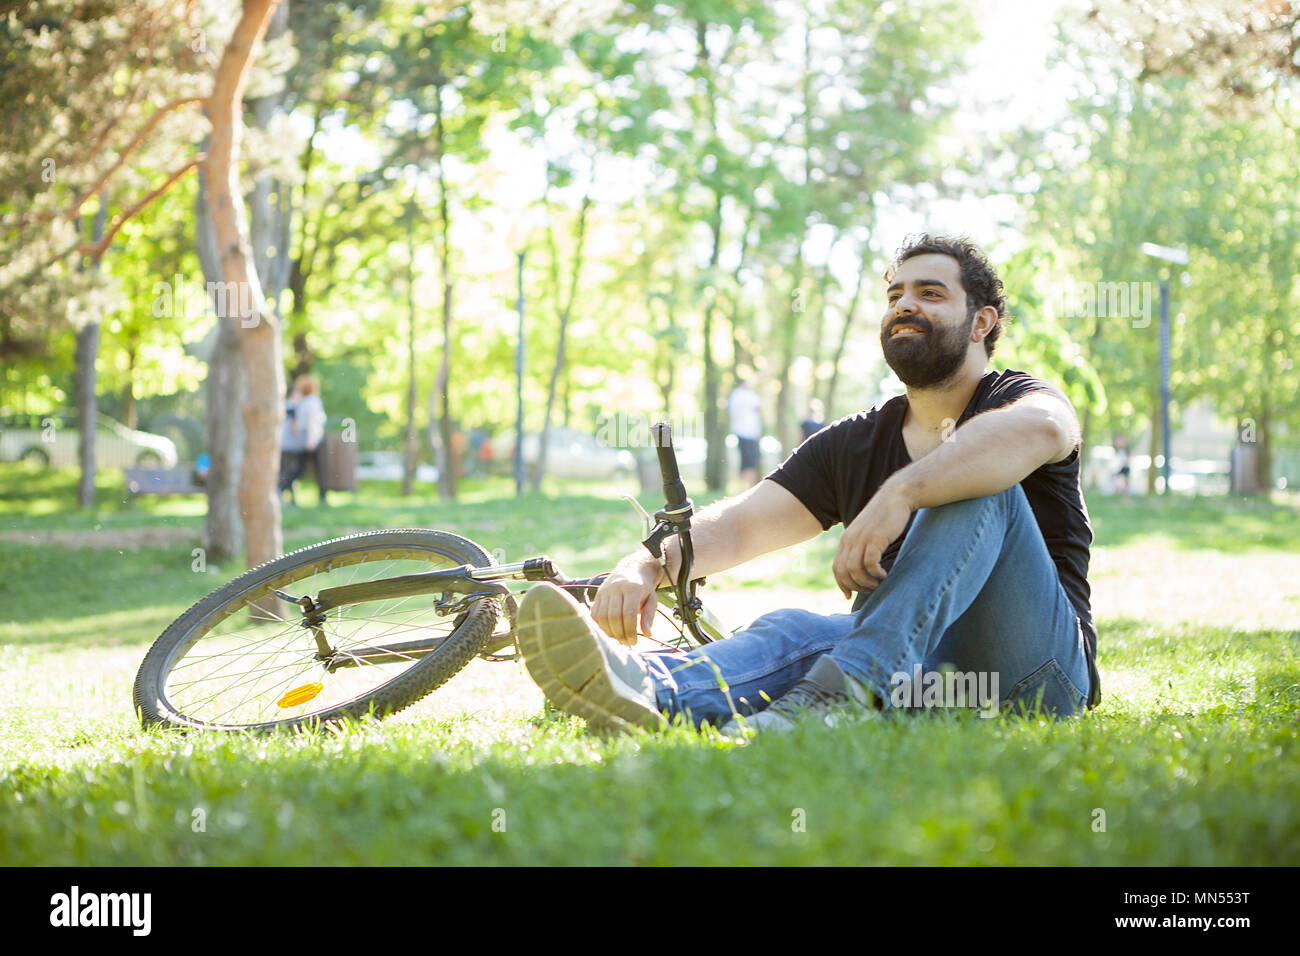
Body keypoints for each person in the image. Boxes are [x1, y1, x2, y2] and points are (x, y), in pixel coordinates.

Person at [514, 233, 1100, 736]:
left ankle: (847, 693)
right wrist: (641, 565)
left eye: (930, 293)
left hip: (1036, 674)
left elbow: (1047, 428)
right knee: (791, 628)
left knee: (977, 484)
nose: (905, 305)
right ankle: (640, 690)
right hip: (924, 677)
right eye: (895, 294)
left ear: (982, 323)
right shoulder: (855, 441)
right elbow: (740, 524)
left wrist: (903, 492)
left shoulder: (1020, 401)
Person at [278, 374, 328, 506]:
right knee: (303, 468)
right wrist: (312, 440)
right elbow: (313, 421)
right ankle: (281, 489)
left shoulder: (303, 402)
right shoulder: (313, 401)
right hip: (310, 440)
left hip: (300, 440)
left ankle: (283, 490)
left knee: (298, 468)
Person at [727, 376, 763, 488]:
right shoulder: (749, 396)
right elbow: (760, 409)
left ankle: (743, 488)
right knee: (750, 462)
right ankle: (748, 488)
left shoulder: (734, 396)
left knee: (745, 462)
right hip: (749, 433)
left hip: (741, 432)